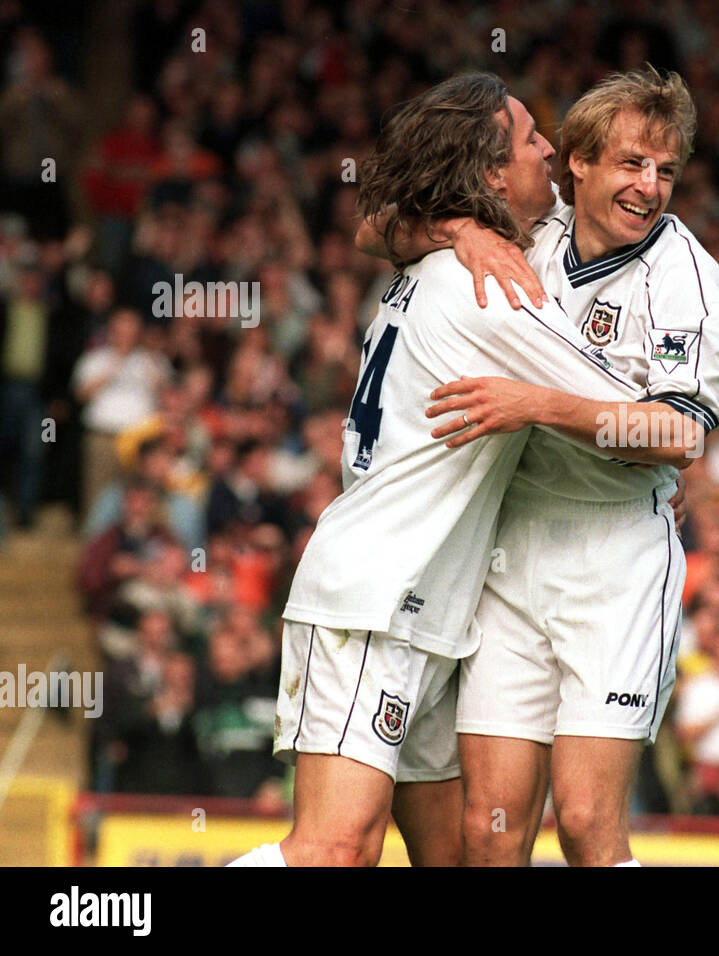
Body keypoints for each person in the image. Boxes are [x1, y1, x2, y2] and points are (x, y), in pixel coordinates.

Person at [228, 72, 651, 867]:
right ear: (492, 173)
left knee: (454, 855)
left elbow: (372, 226)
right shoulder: (486, 286)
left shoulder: (451, 256)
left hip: (430, 613)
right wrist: (668, 453)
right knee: (336, 849)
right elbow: (629, 422)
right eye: (529, 139)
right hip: (374, 601)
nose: (550, 149)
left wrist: (456, 225)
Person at [361, 68, 719, 866]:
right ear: (577, 162)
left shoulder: (685, 276)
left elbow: (681, 433)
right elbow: (375, 229)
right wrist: (460, 233)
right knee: (488, 831)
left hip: (616, 566)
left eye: (665, 171)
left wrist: (537, 404)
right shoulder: (530, 230)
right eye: (631, 163)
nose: (649, 188)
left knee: (585, 824)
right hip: (509, 555)